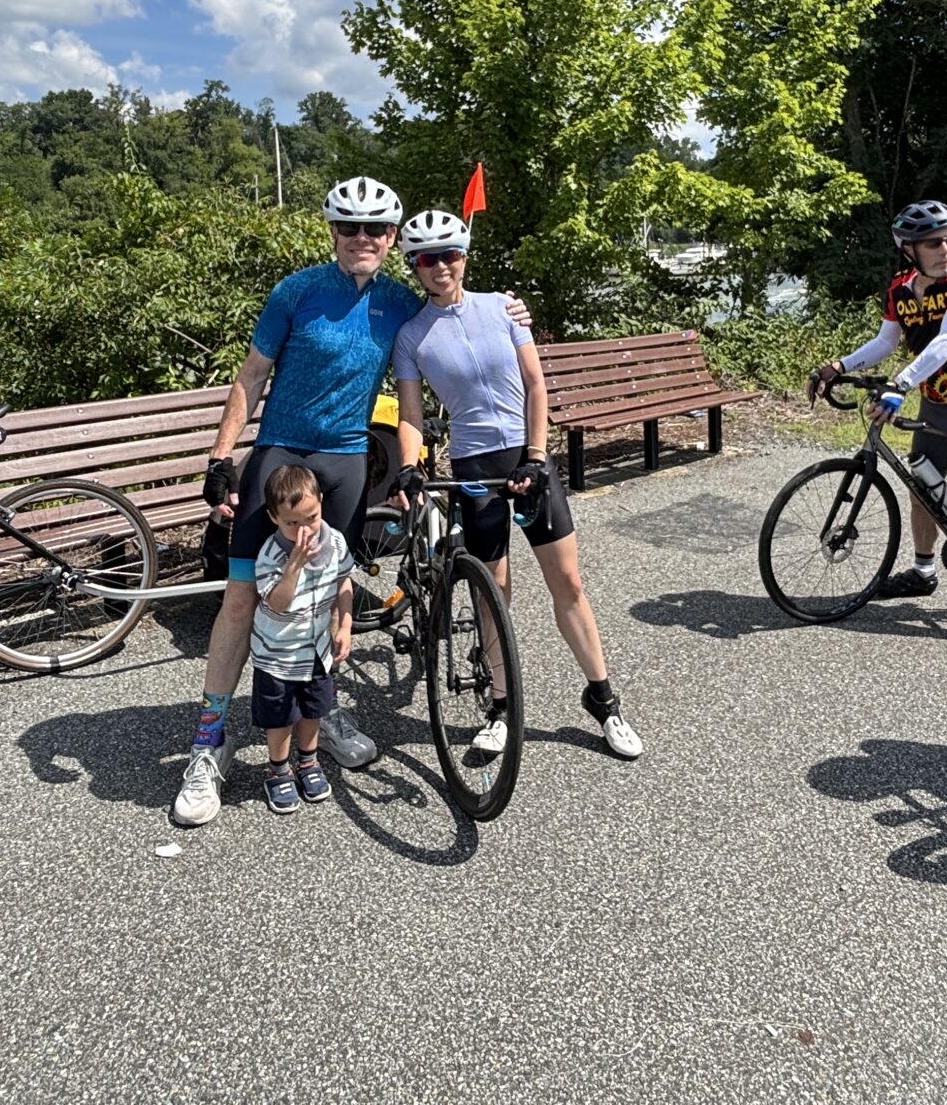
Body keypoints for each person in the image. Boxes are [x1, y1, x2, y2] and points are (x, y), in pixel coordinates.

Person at [173, 176, 528, 828]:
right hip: (280, 455)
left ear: (392, 238)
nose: (362, 238)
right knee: (242, 598)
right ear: (333, 232)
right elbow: (251, 376)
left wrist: (511, 312)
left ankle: (324, 710)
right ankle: (208, 743)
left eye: (375, 229)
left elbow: (449, 318)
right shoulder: (296, 291)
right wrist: (220, 458)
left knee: (327, 594)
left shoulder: (400, 303)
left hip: (344, 464)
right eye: (348, 227)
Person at [387, 209, 643, 759]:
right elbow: (410, 414)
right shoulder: (411, 335)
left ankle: (603, 700)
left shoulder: (503, 308)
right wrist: (408, 465)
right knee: (492, 591)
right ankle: (500, 707)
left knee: (568, 583)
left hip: (527, 461)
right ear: (414, 266)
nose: (439, 267)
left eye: (449, 255)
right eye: (426, 259)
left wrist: (536, 455)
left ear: (464, 256)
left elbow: (534, 385)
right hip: (474, 466)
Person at [806, 200, 947, 655]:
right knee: (922, 491)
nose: (946, 249)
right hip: (936, 404)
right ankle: (924, 571)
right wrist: (839, 366)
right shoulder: (899, 289)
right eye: (934, 243)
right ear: (909, 249)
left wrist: (901, 383)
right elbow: (885, 341)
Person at [250, 464, 355, 815]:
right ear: (274, 518)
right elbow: (277, 603)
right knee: (280, 716)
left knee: (314, 709)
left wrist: (344, 625)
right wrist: (293, 565)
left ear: (321, 503)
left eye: (311, 518)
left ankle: (308, 761)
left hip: (317, 650)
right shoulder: (271, 554)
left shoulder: (335, 541)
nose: (304, 530)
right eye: (291, 523)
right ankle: (278, 769)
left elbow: (344, 583)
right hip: (277, 655)